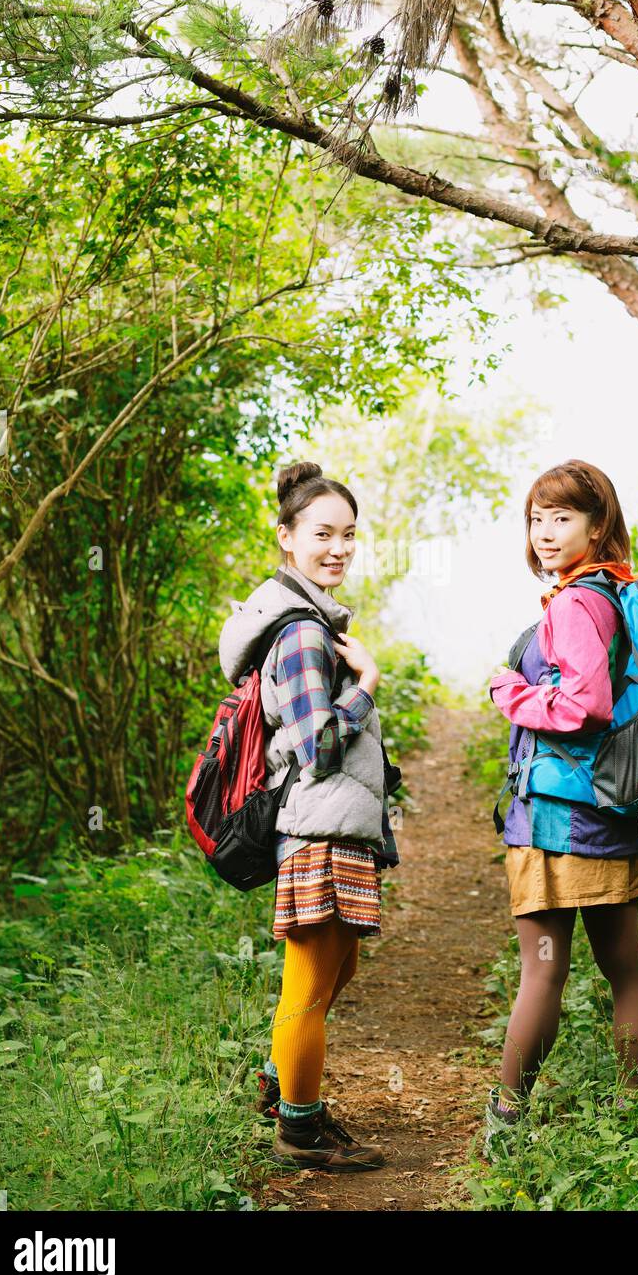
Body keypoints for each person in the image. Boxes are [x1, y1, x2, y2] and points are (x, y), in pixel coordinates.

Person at [218, 460, 398, 1171]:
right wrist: (368, 687)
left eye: (349, 535)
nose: (339, 548)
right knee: (309, 986)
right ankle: (297, 1130)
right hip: (318, 829)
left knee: (333, 974)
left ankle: (284, 1087)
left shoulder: (314, 623)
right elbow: (317, 746)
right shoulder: (299, 634)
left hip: (336, 829)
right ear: (286, 537)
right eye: (323, 533)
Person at [485, 458, 638, 1157]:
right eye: (537, 518)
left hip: (560, 822)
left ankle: (505, 1122)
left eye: (563, 517)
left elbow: (582, 704)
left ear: (598, 524)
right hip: (611, 811)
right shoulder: (616, 595)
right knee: (625, 969)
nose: (547, 531)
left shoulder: (576, 603)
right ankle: (636, 1117)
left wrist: (509, 694)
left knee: (543, 970)